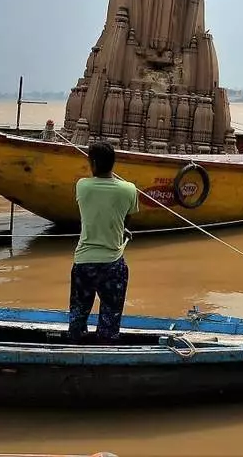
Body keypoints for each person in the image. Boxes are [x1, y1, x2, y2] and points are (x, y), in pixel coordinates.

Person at [68, 141, 139, 344]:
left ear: (93, 163)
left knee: (78, 314)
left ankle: (75, 345)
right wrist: (123, 230)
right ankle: (106, 345)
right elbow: (126, 219)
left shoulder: (82, 186)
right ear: (113, 163)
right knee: (110, 316)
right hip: (112, 264)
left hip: (84, 263)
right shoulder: (129, 189)